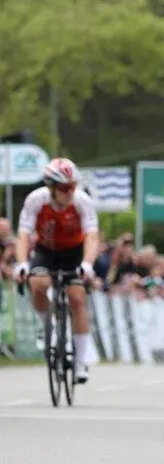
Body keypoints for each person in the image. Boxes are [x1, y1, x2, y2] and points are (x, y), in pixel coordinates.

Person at [14, 158, 99, 382]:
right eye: (64, 188)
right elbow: (23, 233)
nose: (70, 191)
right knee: (38, 284)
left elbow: (92, 236)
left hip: (74, 253)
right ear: (51, 187)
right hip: (47, 250)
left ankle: (81, 362)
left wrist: (87, 264)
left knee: (77, 299)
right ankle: (46, 327)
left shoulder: (82, 201)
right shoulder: (36, 200)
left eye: (73, 186)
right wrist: (22, 263)